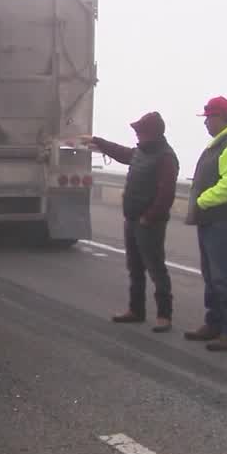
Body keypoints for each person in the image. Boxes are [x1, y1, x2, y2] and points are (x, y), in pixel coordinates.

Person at [81, 111, 180, 332]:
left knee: (155, 268)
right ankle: (136, 310)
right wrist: (97, 141)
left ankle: (164, 315)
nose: (137, 136)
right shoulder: (140, 152)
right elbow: (121, 152)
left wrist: (149, 217)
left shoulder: (165, 157)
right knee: (134, 267)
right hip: (132, 219)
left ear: (151, 134)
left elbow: (166, 194)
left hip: (149, 223)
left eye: (140, 132)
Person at [184, 96, 227, 351]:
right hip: (211, 220)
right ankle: (213, 322)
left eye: (209, 118)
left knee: (224, 276)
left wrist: (203, 200)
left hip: (223, 220)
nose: (206, 123)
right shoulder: (220, 144)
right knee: (212, 275)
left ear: (222, 118)